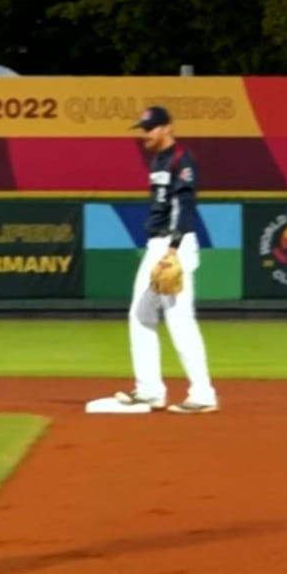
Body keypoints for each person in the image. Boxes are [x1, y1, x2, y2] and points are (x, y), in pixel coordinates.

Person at [110, 105, 220, 414]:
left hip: (175, 245)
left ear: (166, 128)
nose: (145, 134)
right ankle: (150, 390)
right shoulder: (157, 159)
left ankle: (203, 393)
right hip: (157, 243)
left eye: (150, 128)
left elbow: (185, 205)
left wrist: (172, 249)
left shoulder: (181, 159)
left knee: (179, 319)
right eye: (143, 128)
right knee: (141, 314)